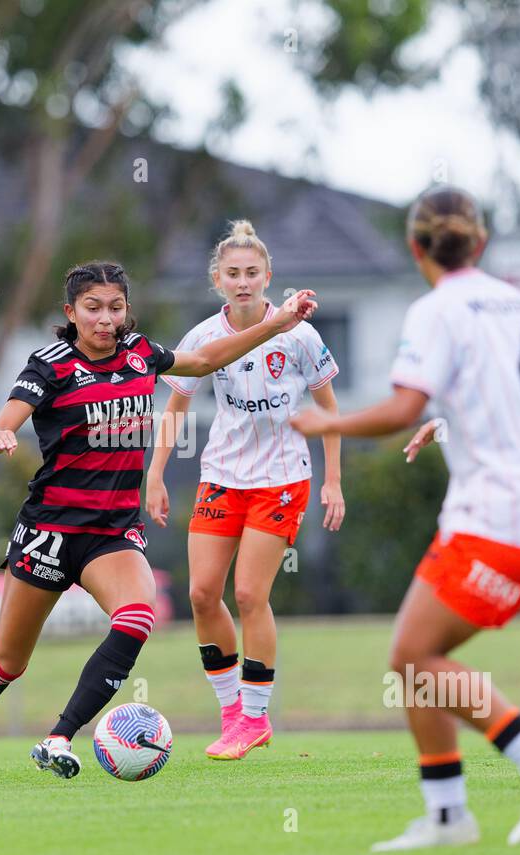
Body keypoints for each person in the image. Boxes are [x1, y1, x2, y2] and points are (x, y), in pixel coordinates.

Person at [291, 186, 520, 849]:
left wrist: (331, 420)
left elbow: (403, 408)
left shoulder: (437, 310)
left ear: (415, 248)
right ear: (482, 243)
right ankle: (447, 815)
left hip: (498, 514)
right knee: (416, 654)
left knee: (412, 656)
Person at [0, 260, 318, 781]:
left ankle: (59, 736)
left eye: (115, 308)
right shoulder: (49, 365)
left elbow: (206, 359)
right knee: (8, 661)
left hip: (112, 533)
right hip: (50, 531)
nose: (105, 319)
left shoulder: (141, 353)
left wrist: (277, 325)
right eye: (93, 309)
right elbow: (1, 423)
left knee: (137, 616)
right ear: (70, 312)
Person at [146, 220, 344, 760]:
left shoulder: (300, 335)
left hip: (282, 479)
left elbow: (330, 412)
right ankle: (233, 714)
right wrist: (156, 474)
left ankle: (257, 719)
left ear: (268, 277)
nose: (242, 282)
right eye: (232, 274)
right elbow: (175, 408)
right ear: (217, 280)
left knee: (251, 594)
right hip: (221, 476)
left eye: (252, 273)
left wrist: (332, 480)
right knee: (202, 594)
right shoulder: (204, 338)